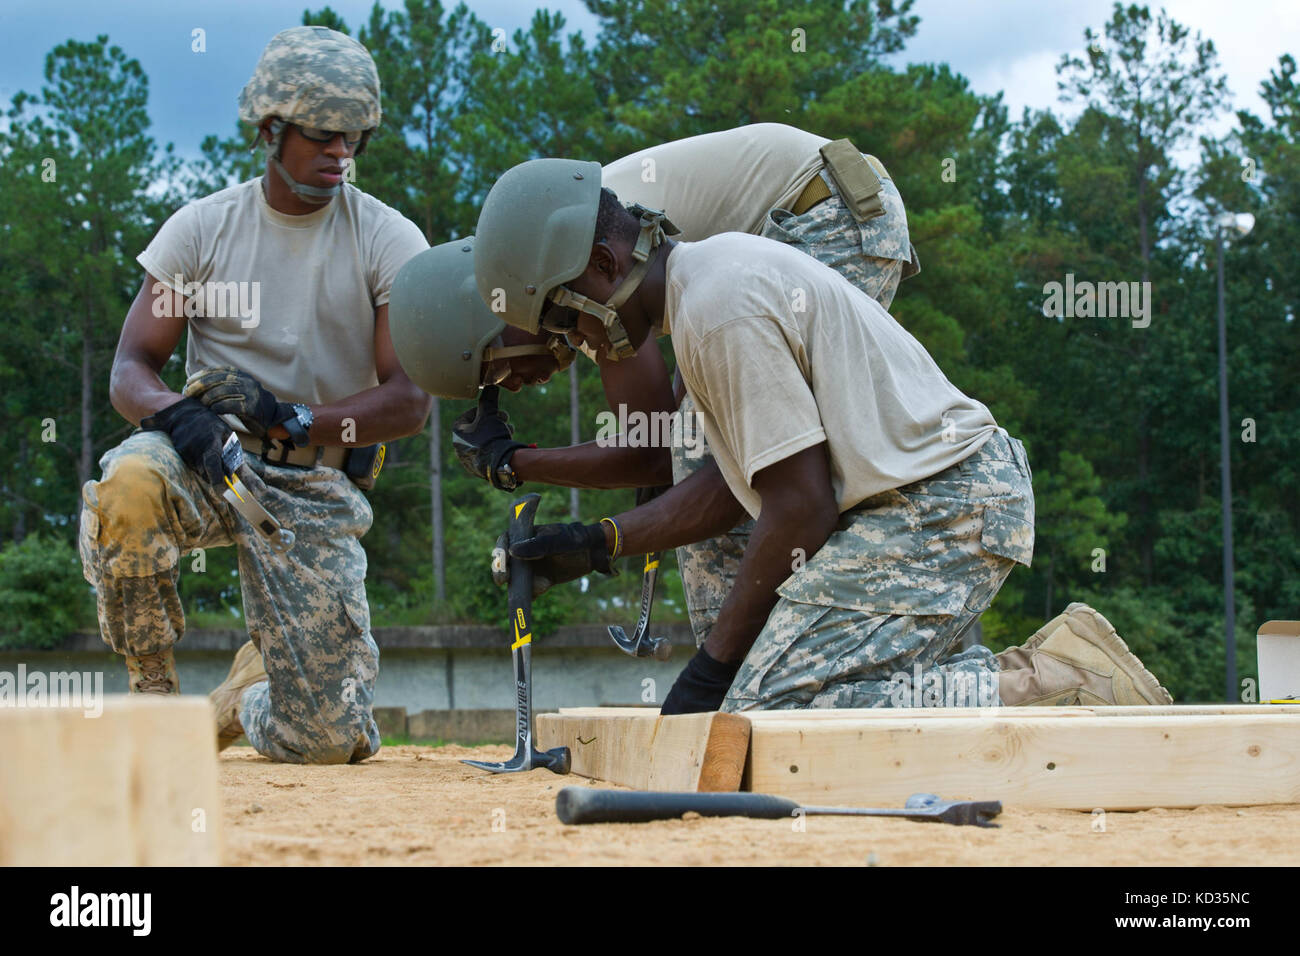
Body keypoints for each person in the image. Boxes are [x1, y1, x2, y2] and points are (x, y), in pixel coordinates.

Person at [462, 158, 1172, 713]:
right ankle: (1021, 678)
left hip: (944, 509)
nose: (577, 342)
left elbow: (801, 508)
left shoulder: (718, 310)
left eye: (565, 318)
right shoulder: (707, 286)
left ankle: (1061, 678)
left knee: (773, 708)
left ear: (605, 268)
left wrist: (710, 671)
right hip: (927, 505)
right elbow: (738, 490)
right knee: (770, 693)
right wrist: (598, 543)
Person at [77, 26, 431, 762]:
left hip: (314, 481)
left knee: (330, 741)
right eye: (324, 135)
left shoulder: (388, 241)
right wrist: (184, 422)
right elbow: (130, 370)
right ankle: (154, 703)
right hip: (211, 463)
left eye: (356, 137)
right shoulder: (202, 230)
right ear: (270, 131)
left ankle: (247, 696)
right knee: (130, 483)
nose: (342, 153)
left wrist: (291, 416)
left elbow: (408, 400)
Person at [450, 124, 919, 649]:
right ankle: (785, 653)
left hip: (826, 213)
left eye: (497, 373)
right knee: (741, 452)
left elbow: (654, 451)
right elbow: (656, 440)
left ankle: (732, 669)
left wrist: (520, 463)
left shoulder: (581, 275)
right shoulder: (570, 275)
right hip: (829, 206)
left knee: (724, 455)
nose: (514, 386)